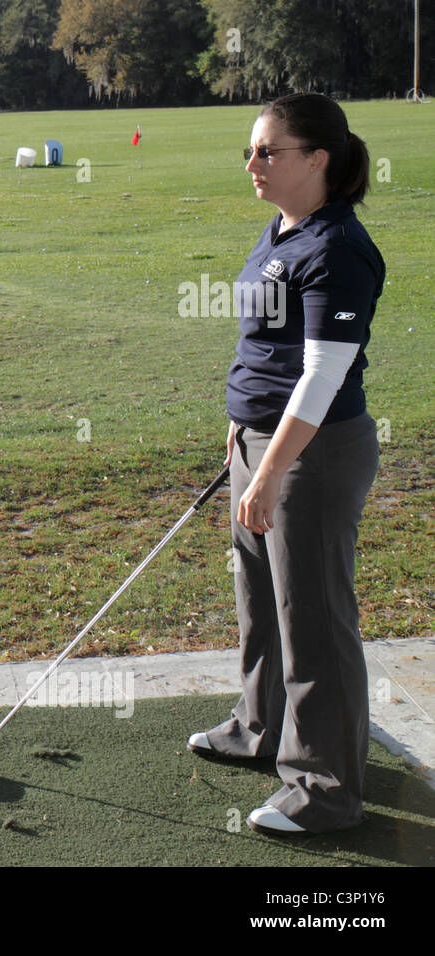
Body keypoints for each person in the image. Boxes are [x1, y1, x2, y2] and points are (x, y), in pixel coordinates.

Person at [187, 93, 383, 835]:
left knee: (314, 618)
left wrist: (271, 468)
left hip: (313, 454)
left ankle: (325, 790)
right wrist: (240, 439)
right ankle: (259, 729)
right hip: (259, 443)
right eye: (251, 150)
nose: (253, 164)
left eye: (269, 151)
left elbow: (322, 374)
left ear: (318, 159)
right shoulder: (279, 231)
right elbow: (264, 351)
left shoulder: (338, 248)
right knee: (260, 602)